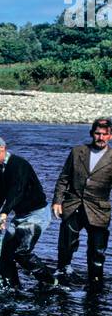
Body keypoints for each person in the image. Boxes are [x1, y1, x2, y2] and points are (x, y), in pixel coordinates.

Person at [0, 134, 52, 288]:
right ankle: (13, 289)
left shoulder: (19, 164)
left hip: (36, 215)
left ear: (2, 149)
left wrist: (4, 214)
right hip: (19, 216)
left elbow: (17, 191)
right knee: (5, 257)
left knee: (21, 253)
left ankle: (51, 283)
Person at [52, 117, 112, 292]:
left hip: (99, 211)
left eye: (104, 134)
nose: (100, 137)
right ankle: (61, 276)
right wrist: (57, 201)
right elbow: (64, 178)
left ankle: (95, 285)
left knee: (97, 252)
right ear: (92, 134)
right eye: (97, 133)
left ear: (110, 136)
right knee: (66, 246)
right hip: (72, 205)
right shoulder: (78, 151)